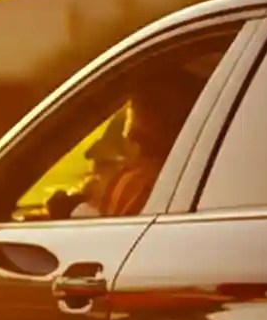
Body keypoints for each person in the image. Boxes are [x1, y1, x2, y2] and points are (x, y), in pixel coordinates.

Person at [46, 69, 206, 219]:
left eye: (135, 112)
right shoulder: (181, 178)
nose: (129, 132)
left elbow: (110, 242)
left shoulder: (140, 183)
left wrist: (70, 212)